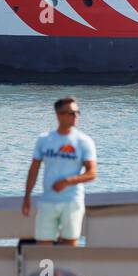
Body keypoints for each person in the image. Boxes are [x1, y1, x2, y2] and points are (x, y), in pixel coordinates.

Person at [22, 97, 98, 246]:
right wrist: (27, 197)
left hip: (72, 201)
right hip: (47, 201)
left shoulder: (84, 141)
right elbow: (34, 169)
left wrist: (67, 181)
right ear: (58, 115)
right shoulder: (44, 139)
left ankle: (65, 270)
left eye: (77, 112)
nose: (75, 116)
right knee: (43, 248)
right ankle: (47, 271)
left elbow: (92, 173)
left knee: (69, 247)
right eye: (70, 113)